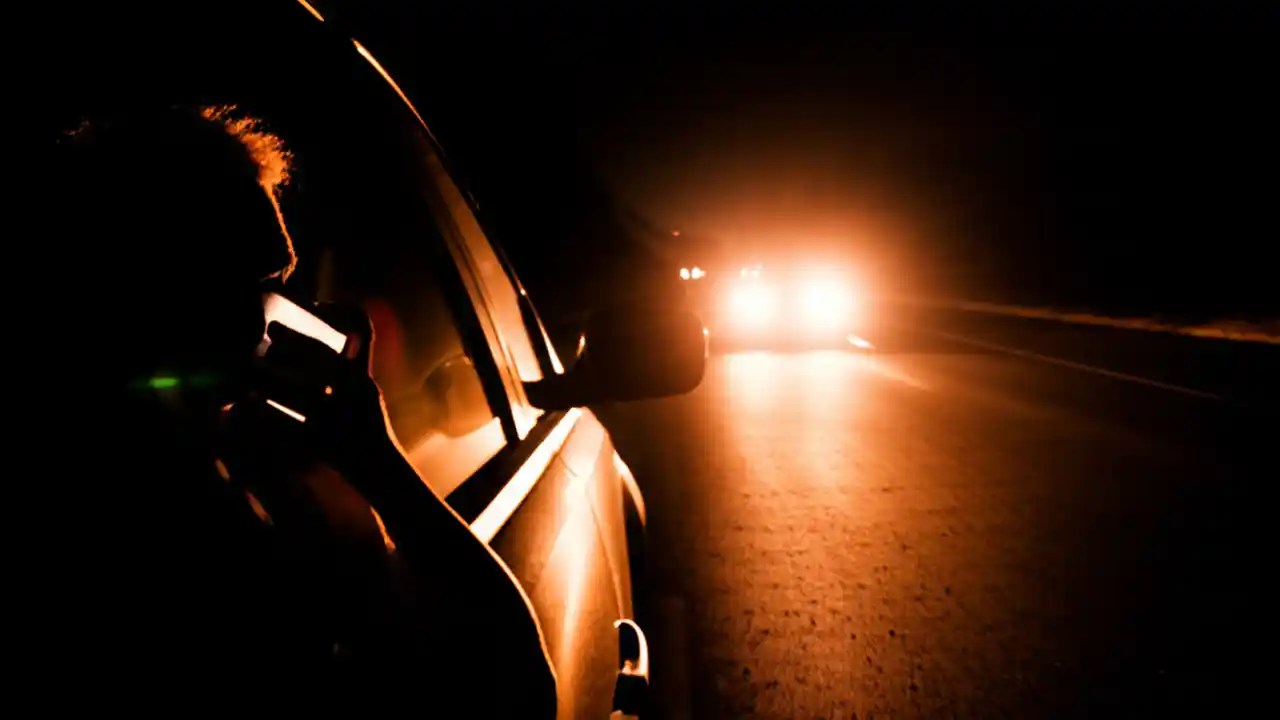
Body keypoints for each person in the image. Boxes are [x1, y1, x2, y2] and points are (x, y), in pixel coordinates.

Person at [43, 104, 557, 713]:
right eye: (254, 279)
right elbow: (517, 690)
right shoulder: (198, 518)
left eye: (278, 284)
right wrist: (380, 469)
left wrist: (364, 462)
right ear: (142, 277)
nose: (271, 313)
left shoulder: (251, 465)